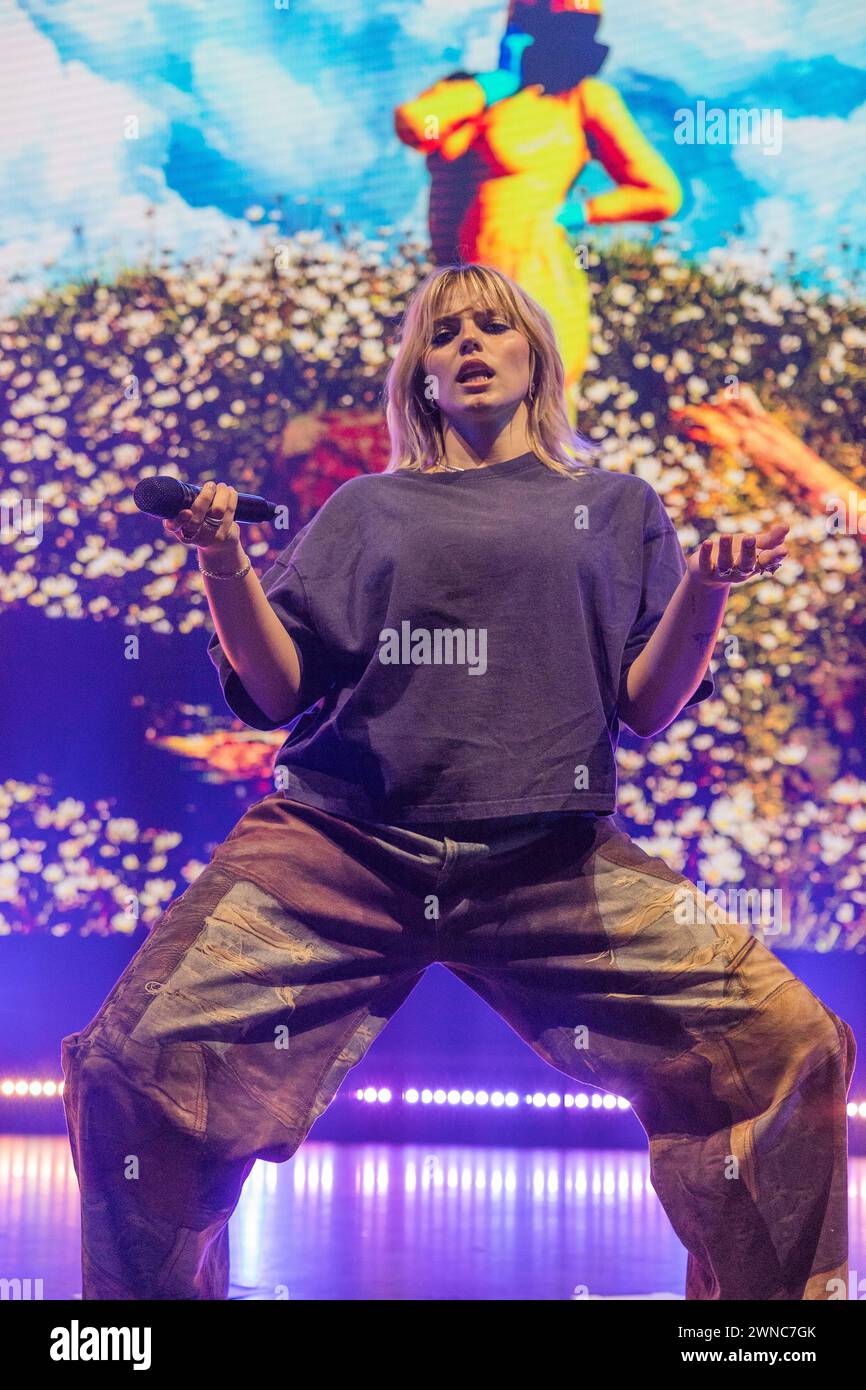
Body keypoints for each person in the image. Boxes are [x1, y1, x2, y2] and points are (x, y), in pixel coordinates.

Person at [61, 262, 855, 1302]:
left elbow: (646, 705)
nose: (468, 345)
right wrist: (220, 558)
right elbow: (277, 685)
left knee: (780, 1043)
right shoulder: (366, 508)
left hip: (549, 859)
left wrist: (703, 589)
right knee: (132, 1067)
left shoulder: (613, 507)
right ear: (420, 374)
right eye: (443, 335)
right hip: (339, 846)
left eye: (491, 327)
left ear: (536, 355)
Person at [394, 0, 683, 427]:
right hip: (459, 286)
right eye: (553, 26)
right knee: (454, 426)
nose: (563, 39)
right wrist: (498, 83)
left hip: (533, 278)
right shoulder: (469, 93)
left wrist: (574, 214)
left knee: (535, 418)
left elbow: (661, 193)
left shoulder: (583, 100)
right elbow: (416, 124)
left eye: (576, 29)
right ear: (522, 26)